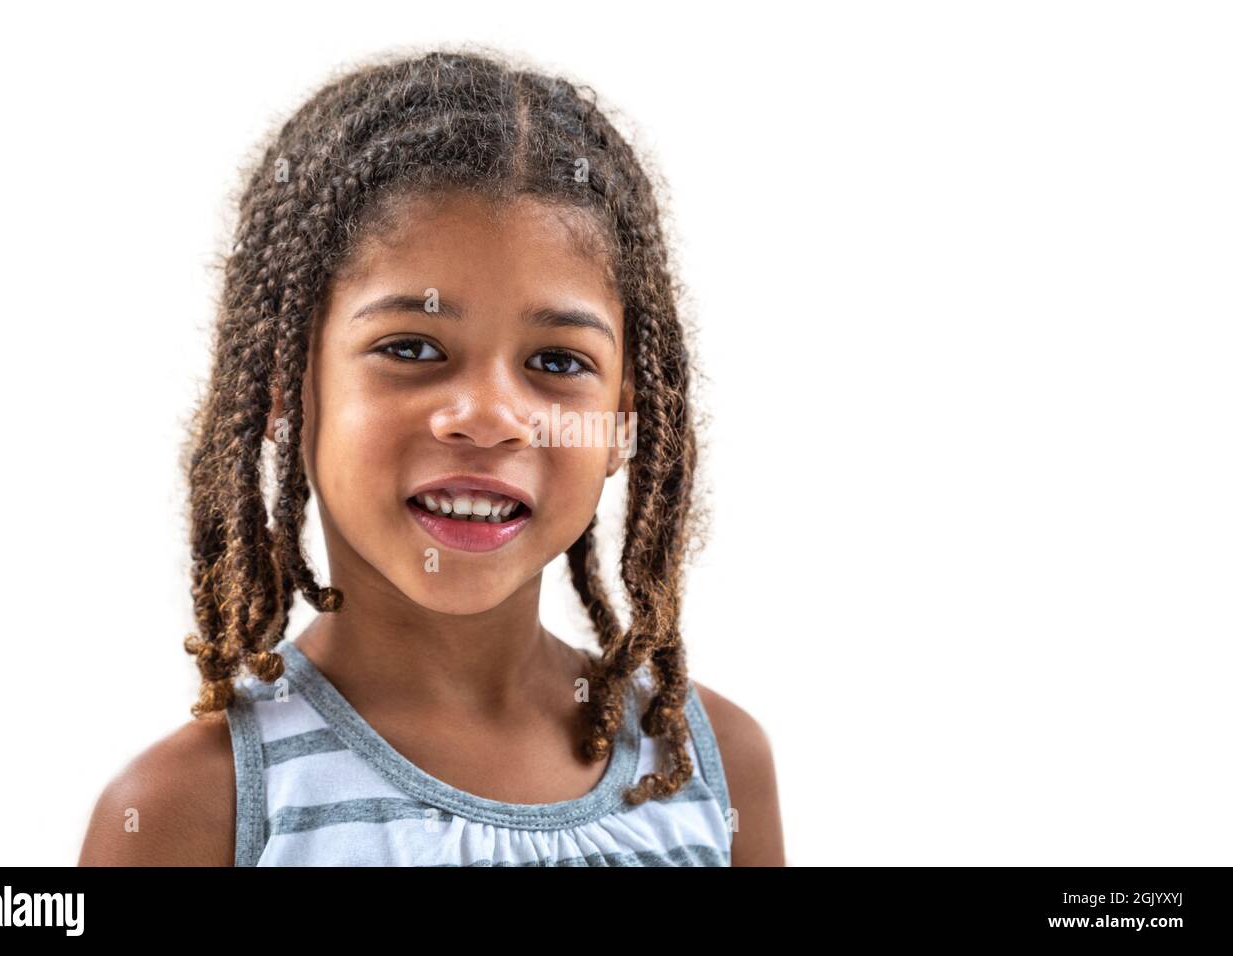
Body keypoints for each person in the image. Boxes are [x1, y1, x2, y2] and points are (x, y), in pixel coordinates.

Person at [80, 46, 783, 866]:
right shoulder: (194, 809)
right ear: (283, 385)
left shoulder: (712, 768)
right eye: (412, 347)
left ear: (622, 423)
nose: (489, 420)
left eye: (556, 362)